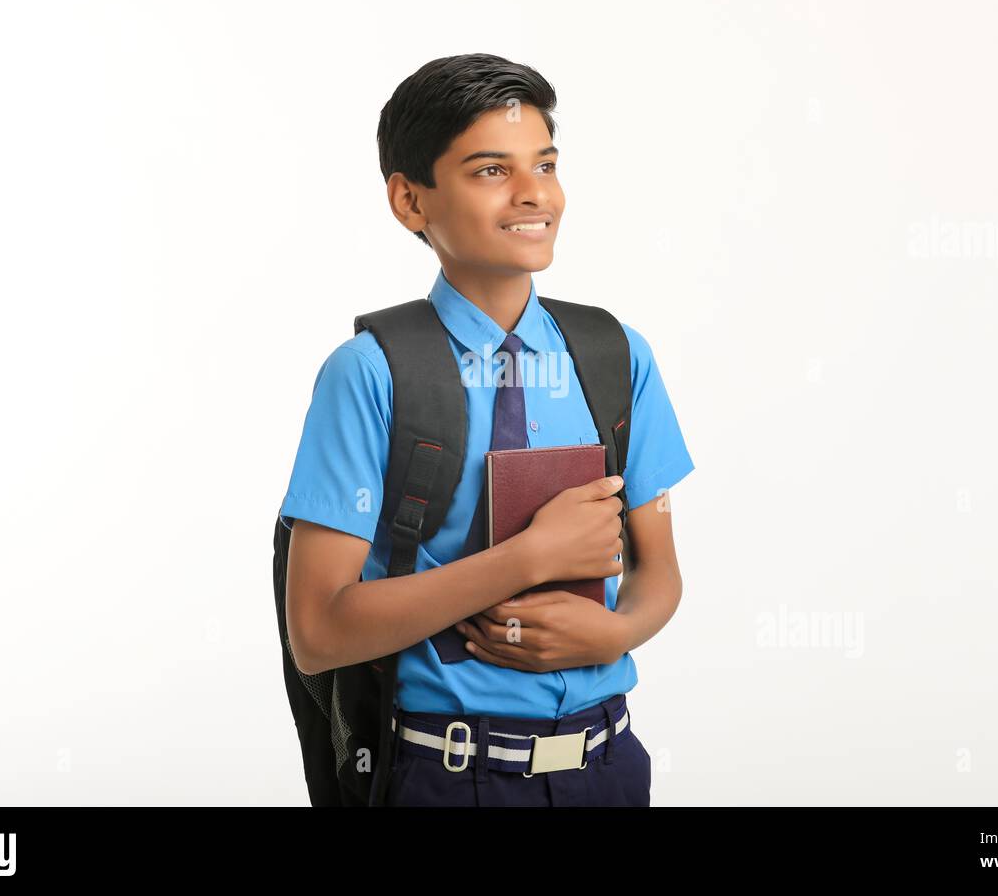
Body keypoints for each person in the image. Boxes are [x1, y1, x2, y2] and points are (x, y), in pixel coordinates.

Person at [279, 54, 694, 806]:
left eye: (545, 163)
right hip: (448, 775)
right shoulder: (370, 375)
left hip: (609, 765)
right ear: (411, 201)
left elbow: (658, 573)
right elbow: (318, 630)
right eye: (490, 170)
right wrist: (528, 558)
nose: (535, 193)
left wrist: (615, 633)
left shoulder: (615, 356)